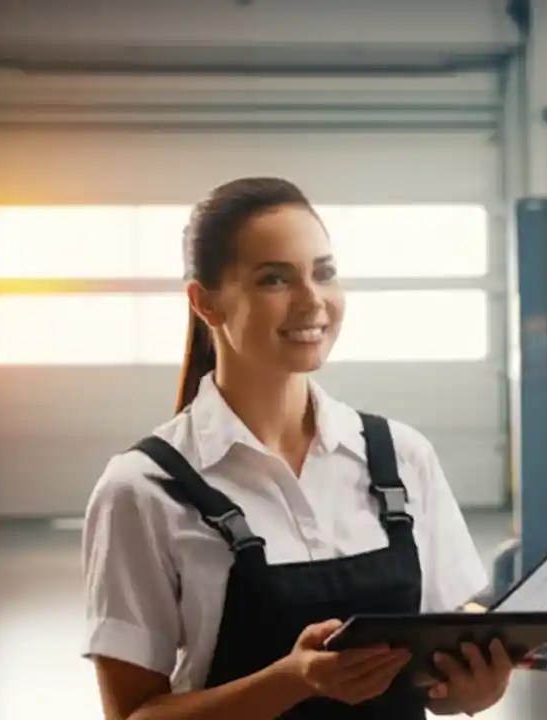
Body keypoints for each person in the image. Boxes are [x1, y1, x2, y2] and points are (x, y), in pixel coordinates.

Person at [81, 177, 513, 719]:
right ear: (205, 303)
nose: (312, 301)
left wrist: (475, 692)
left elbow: (446, 683)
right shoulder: (143, 491)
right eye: (273, 279)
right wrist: (290, 682)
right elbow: (133, 717)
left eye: (324, 272)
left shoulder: (402, 458)